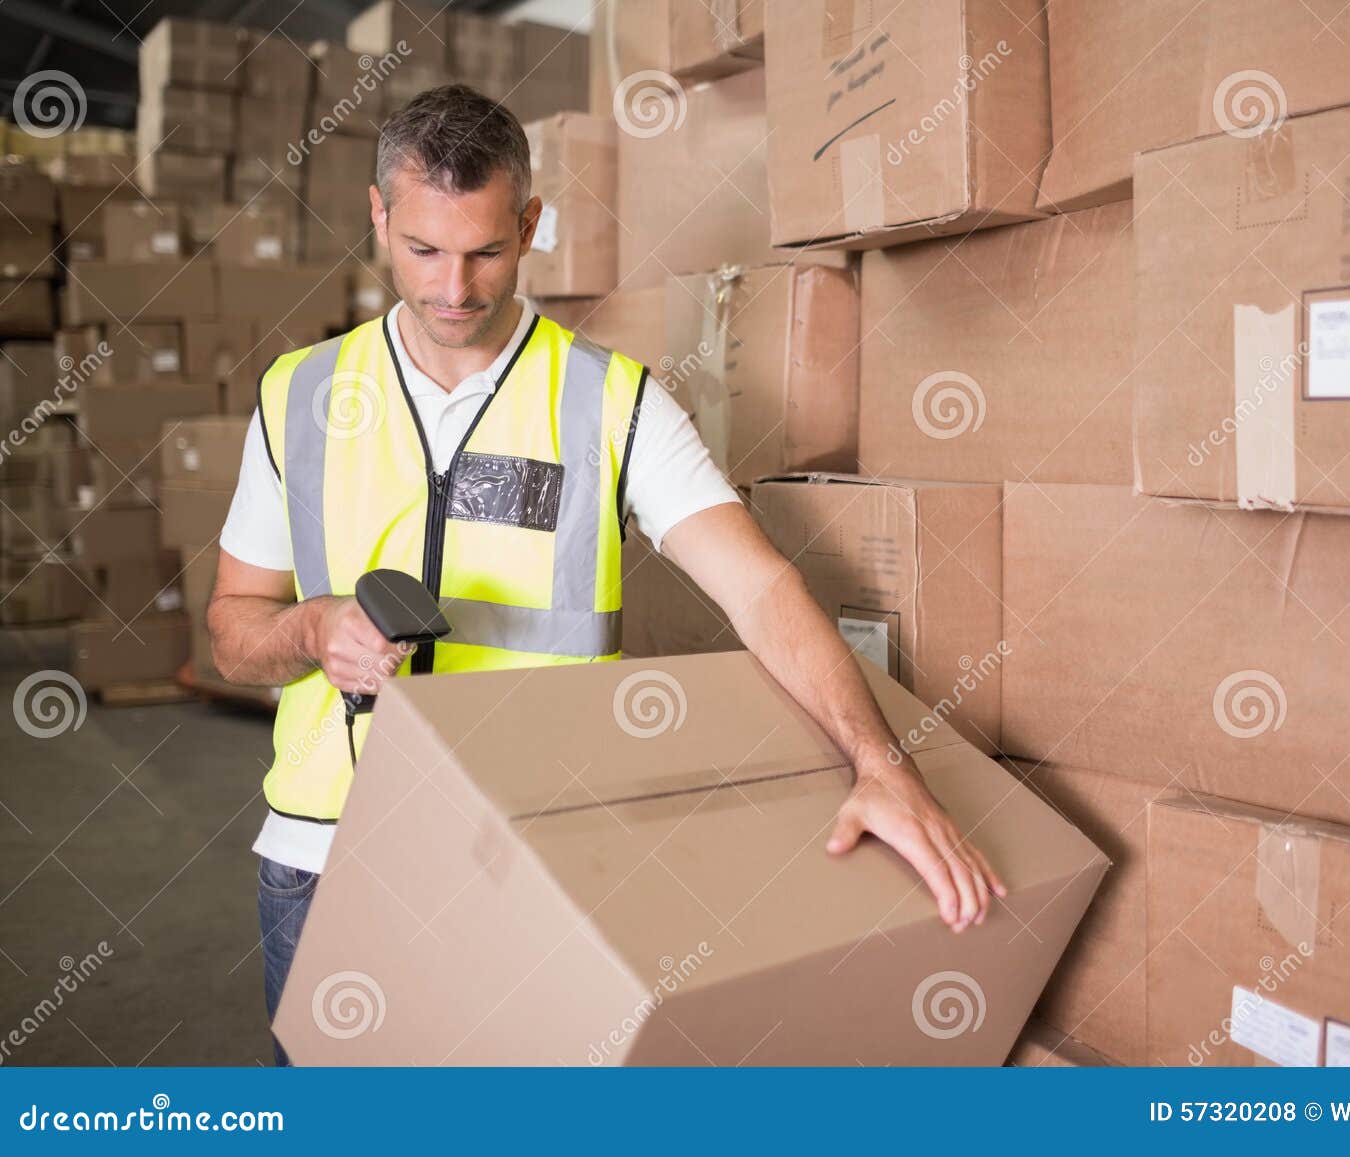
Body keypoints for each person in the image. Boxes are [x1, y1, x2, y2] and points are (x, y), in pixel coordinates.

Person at [208, 85, 1004, 1066]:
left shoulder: (611, 402)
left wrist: (883, 764)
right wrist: (308, 628)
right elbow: (233, 629)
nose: (453, 287)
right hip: (328, 856)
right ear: (377, 216)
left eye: (486, 251)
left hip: (535, 861)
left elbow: (759, 588)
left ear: (531, 225)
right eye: (422, 249)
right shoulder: (299, 395)